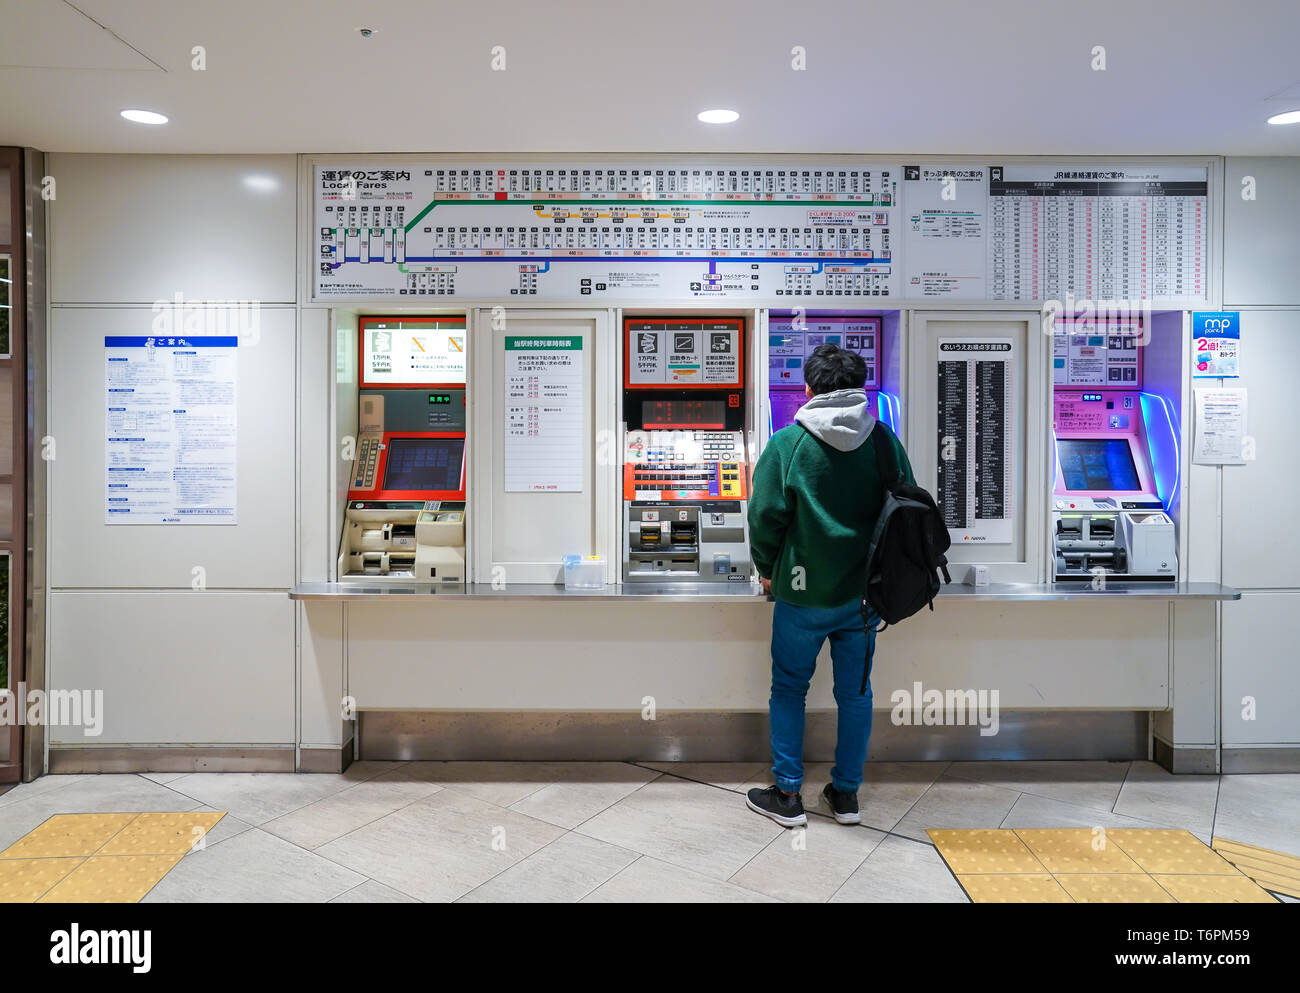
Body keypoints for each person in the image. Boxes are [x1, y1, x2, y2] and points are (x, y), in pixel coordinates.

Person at [745, 342, 914, 827]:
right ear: (861, 388)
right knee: (856, 694)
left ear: (807, 388)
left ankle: (787, 794)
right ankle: (845, 796)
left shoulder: (787, 444)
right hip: (863, 597)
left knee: (789, 690)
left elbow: (764, 518)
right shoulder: (884, 441)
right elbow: (905, 508)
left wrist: (768, 568)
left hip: (801, 594)